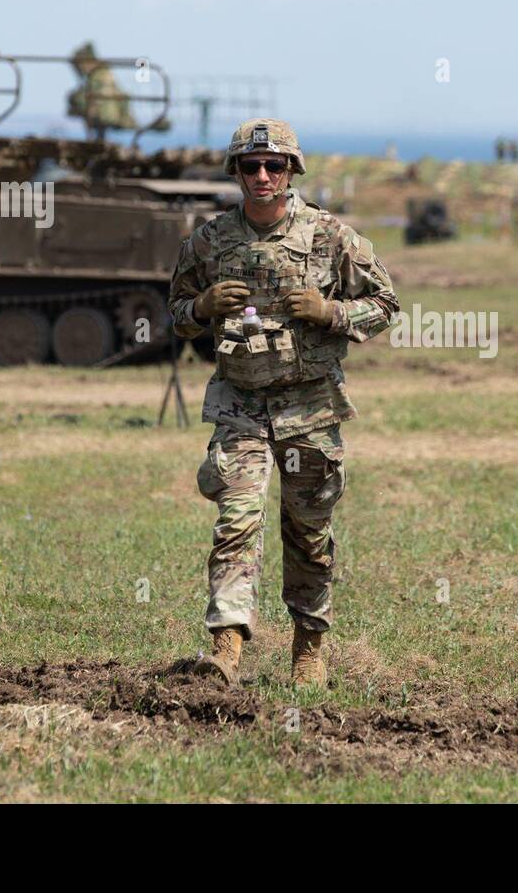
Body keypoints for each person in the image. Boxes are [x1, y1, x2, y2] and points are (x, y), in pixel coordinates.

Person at [167, 119, 399, 688]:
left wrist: (332, 313)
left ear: (292, 170)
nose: (263, 176)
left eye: (275, 166)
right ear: (236, 173)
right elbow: (174, 312)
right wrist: (201, 307)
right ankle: (226, 647)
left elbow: (387, 303)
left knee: (308, 530)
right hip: (239, 403)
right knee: (236, 519)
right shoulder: (210, 240)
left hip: (310, 406)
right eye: (251, 167)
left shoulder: (329, 236)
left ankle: (309, 647)